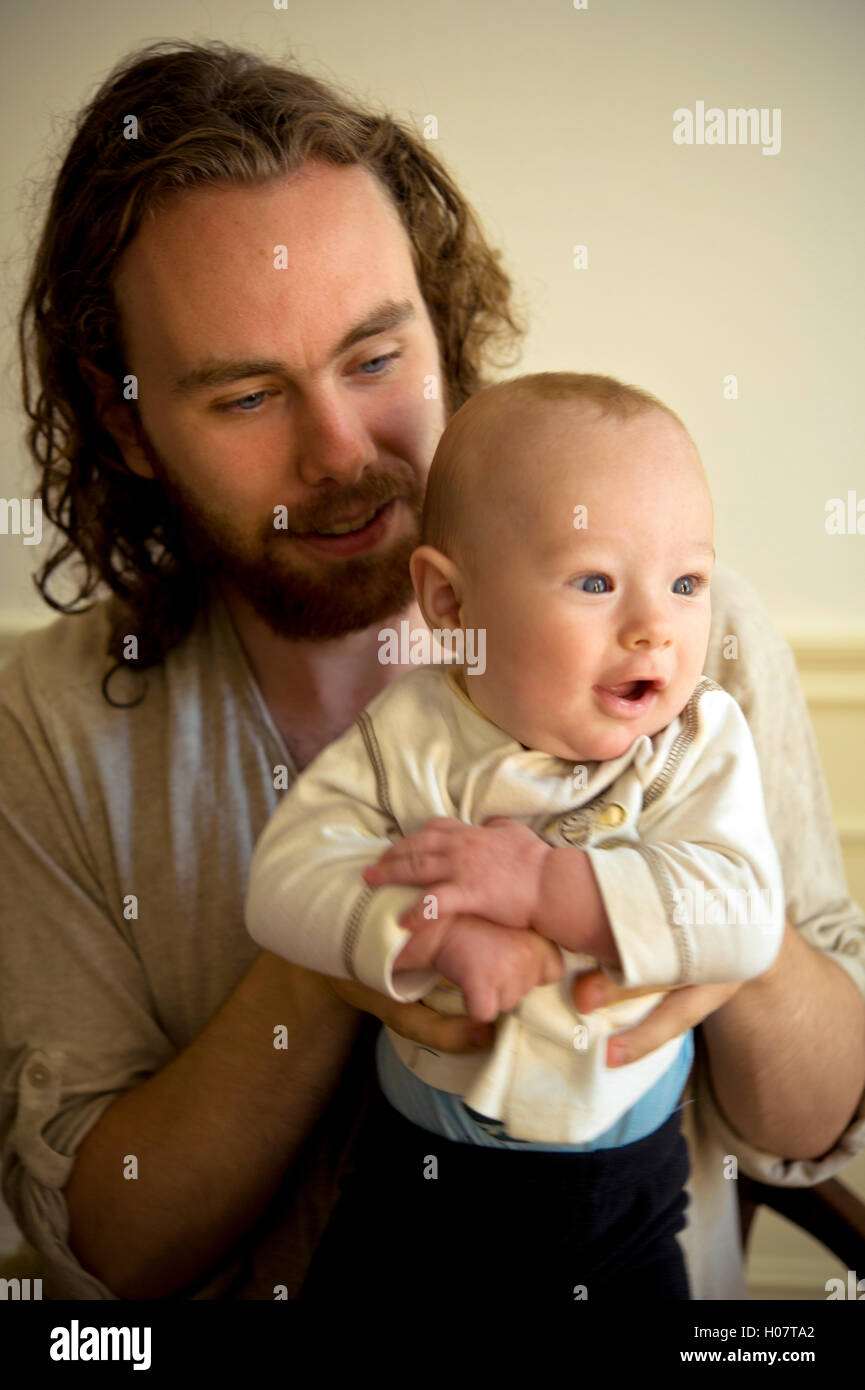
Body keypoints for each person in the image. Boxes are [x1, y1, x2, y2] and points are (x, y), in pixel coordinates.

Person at [0, 40, 863, 1304]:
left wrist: (689, 922)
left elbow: (811, 1118)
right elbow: (122, 1249)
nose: (341, 451)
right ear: (126, 421)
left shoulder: (691, 640)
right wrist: (346, 943)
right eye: (246, 396)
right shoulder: (49, 724)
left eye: (374, 357)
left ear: (441, 327)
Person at [245, 371, 786, 1303]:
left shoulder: (699, 742)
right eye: (593, 581)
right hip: (419, 1184)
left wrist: (546, 890)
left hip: (628, 1197)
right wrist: (432, 931)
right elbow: (282, 883)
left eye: (686, 581)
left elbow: (744, 917)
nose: (654, 627)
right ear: (451, 606)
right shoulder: (408, 736)